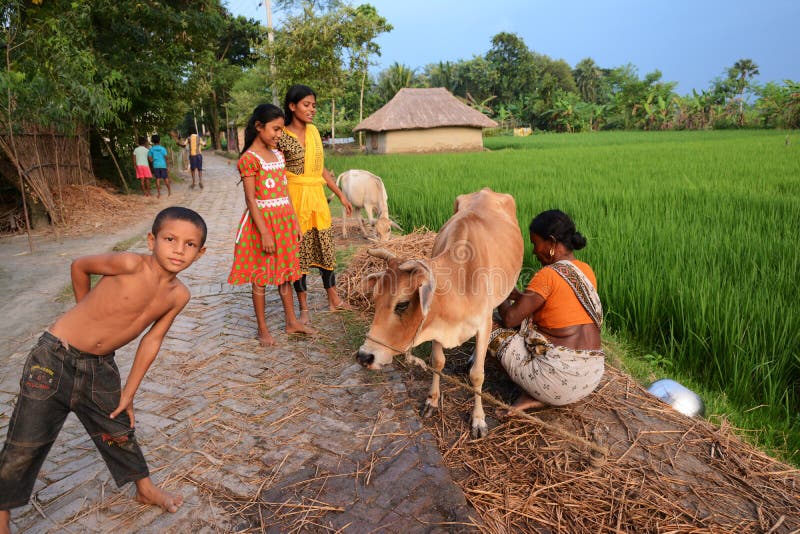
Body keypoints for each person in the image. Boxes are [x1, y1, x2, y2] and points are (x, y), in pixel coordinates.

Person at [0, 207, 207, 530]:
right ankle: (2, 513)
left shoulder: (178, 295)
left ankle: (144, 489)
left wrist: (130, 392)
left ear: (201, 252)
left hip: (100, 367)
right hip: (54, 357)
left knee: (119, 429)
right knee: (26, 441)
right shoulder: (129, 264)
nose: (179, 249)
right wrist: (83, 308)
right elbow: (79, 266)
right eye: (170, 239)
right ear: (152, 240)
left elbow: (152, 341)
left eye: (190, 244)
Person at [490, 209, 604, 416]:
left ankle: (535, 393)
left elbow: (510, 319)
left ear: (551, 243)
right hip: (591, 377)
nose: (534, 251)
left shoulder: (547, 275)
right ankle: (542, 393)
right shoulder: (585, 271)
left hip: (559, 381)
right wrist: (518, 297)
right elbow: (558, 306)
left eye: (535, 243)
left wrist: (499, 291)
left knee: (489, 327)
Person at [228, 104, 316, 347]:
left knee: (285, 274)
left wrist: (295, 223)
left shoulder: (278, 155)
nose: (279, 134)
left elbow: (285, 192)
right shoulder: (249, 159)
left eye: (281, 129)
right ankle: (262, 329)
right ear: (259, 127)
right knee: (260, 277)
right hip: (263, 225)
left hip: (285, 222)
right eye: (275, 129)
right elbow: (251, 199)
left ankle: (291, 322)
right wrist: (265, 232)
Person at [276, 84, 353, 323]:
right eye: (306, 105)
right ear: (292, 106)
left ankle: (333, 299)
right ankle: (304, 308)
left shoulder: (314, 132)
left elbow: (320, 168)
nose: (312, 110)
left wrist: (339, 193)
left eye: (314, 106)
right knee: (300, 254)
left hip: (317, 199)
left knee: (326, 250)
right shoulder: (281, 136)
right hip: (295, 198)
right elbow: (277, 172)